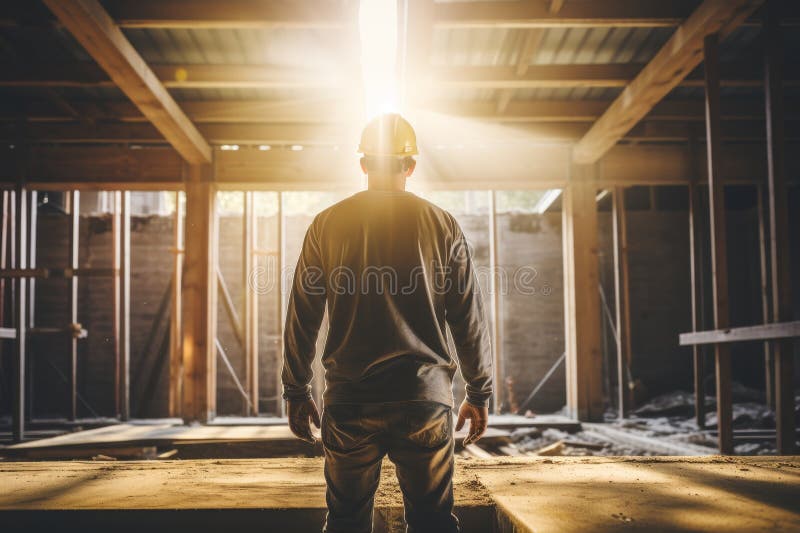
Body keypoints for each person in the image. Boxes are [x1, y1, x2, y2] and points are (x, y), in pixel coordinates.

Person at [282, 113, 493, 533]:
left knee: (346, 522)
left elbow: (303, 314)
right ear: (410, 166)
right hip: (424, 400)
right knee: (433, 522)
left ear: (363, 164)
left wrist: (296, 389)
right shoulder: (443, 225)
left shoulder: (326, 224)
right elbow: (467, 316)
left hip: (349, 400)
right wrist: (479, 391)